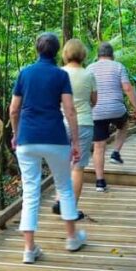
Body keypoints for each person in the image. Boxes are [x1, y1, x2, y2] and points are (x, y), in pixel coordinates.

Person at [9, 33, 87, 263]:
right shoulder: (60, 75)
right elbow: (70, 110)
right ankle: (72, 237)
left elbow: (14, 109)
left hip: (27, 139)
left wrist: (16, 134)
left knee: (31, 192)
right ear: (56, 52)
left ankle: (29, 249)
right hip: (54, 137)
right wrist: (75, 141)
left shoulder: (25, 73)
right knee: (64, 187)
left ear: (37, 50)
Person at [87, 42, 136, 192]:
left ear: (97, 56)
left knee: (99, 147)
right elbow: (127, 88)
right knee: (124, 125)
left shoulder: (89, 68)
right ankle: (116, 152)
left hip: (96, 111)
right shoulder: (118, 66)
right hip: (116, 109)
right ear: (112, 55)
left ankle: (100, 182)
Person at [52, 39, 97, 218]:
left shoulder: (59, 73)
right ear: (83, 54)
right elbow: (94, 101)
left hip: (61, 122)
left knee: (62, 164)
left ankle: (58, 199)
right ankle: (71, 208)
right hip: (84, 122)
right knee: (78, 167)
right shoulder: (88, 75)